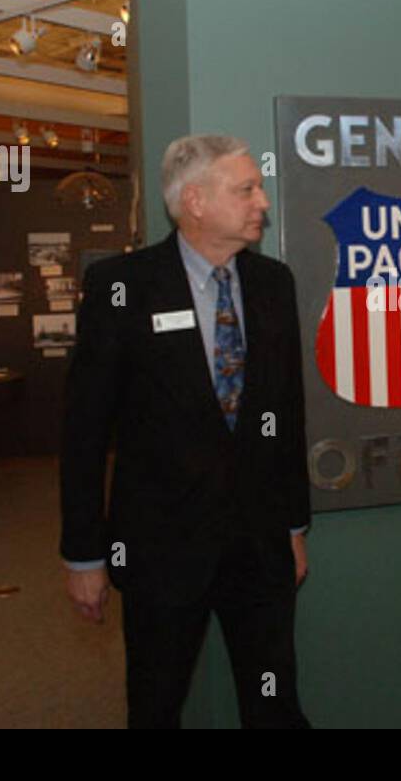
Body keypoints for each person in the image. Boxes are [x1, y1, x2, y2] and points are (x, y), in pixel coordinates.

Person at [61, 134, 311, 729]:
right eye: (246, 188)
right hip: (159, 549)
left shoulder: (274, 284)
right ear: (194, 201)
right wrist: (84, 554)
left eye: (259, 186)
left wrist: (295, 525)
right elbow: (84, 430)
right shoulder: (121, 287)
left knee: (275, 706)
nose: (262, 200)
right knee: (155, 704)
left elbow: (288, 416)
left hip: (260, 546)